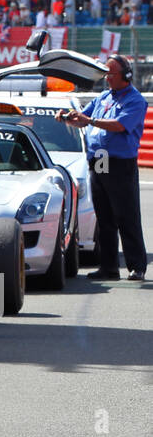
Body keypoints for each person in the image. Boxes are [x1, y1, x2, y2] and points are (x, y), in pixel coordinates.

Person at [58, 55, 148, 281]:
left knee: (126, 215)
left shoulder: (135, 100)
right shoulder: (104, 96)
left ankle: (137, 265)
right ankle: (108, 267)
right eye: (106, 74)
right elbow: (84, 118)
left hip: (119, 161)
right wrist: (68, 117)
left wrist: (89, 121)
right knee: (104, 215)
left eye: (111, 74)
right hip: (99, 158)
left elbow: (119, 125)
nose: (107, 78)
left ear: (125, 76)